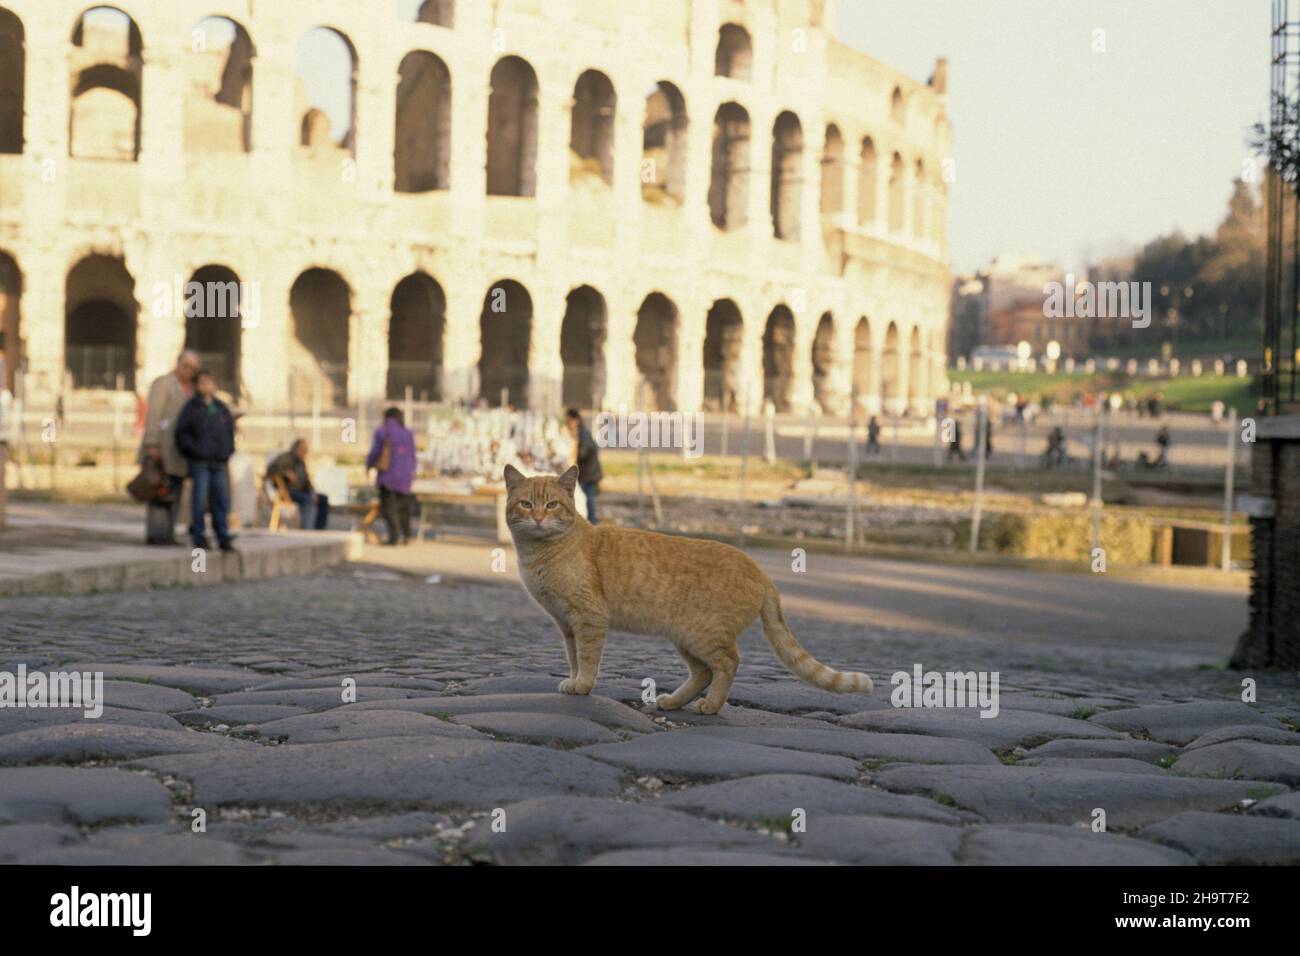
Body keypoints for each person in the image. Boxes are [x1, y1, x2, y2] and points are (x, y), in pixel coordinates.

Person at [139, 350, 200, 544]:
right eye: (186, 366)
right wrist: (151, 443)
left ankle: (168, 533)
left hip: (179, 451)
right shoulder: (163, 383)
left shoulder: (192, 388)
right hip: (161, 447)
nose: (189, 371)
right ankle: (156, 534)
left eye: (193, 368)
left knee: (174, 492)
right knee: (158, 490)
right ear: (178, 363)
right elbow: (153, 414)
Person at [175, 369, 237, 551]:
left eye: (210, 382)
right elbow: (182, 434)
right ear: (197, 385)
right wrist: (194, 451)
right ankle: (199, 536)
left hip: (219, 462)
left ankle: (222, 535)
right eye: (203, 382)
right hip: (200, 462)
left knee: (221, 501)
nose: (207, 386)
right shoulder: (191, 408)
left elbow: (229, 432)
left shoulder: (221, 407)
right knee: (199, 500)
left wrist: (228, 451)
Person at [366, 407, 416, 545]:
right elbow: (412, 455)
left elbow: (375, 452)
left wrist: (368, 465)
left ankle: (394, 537)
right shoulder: (408, 433)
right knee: (404, 508)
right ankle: (406, 535)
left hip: (388, 476)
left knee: (389, 508)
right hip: (406, 476)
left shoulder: (383, 431)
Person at [268, 438, 329, 530]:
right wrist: (285, 473)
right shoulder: (286, 458)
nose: (305, 452)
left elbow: (307, 481)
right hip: (287, 492)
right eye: (303, 449)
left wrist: (312, 492)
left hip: (301, 491)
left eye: (306, 450)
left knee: (323, 498)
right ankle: (307, 529)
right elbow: (271, 470)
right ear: (296, 448)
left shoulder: (301, 462)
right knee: (308, 499)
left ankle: (319, 529)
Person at [565, 408, 603, 523]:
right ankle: (591, 522)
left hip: (588, 473)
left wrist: (575, 444)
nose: (567, 424)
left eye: (568, 421)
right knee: (586, 498)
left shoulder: (583, 433)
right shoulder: (583, 432)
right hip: (587, 472)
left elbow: (583, 453)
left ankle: (592, 522)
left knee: (588, 499)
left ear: (575, 420)